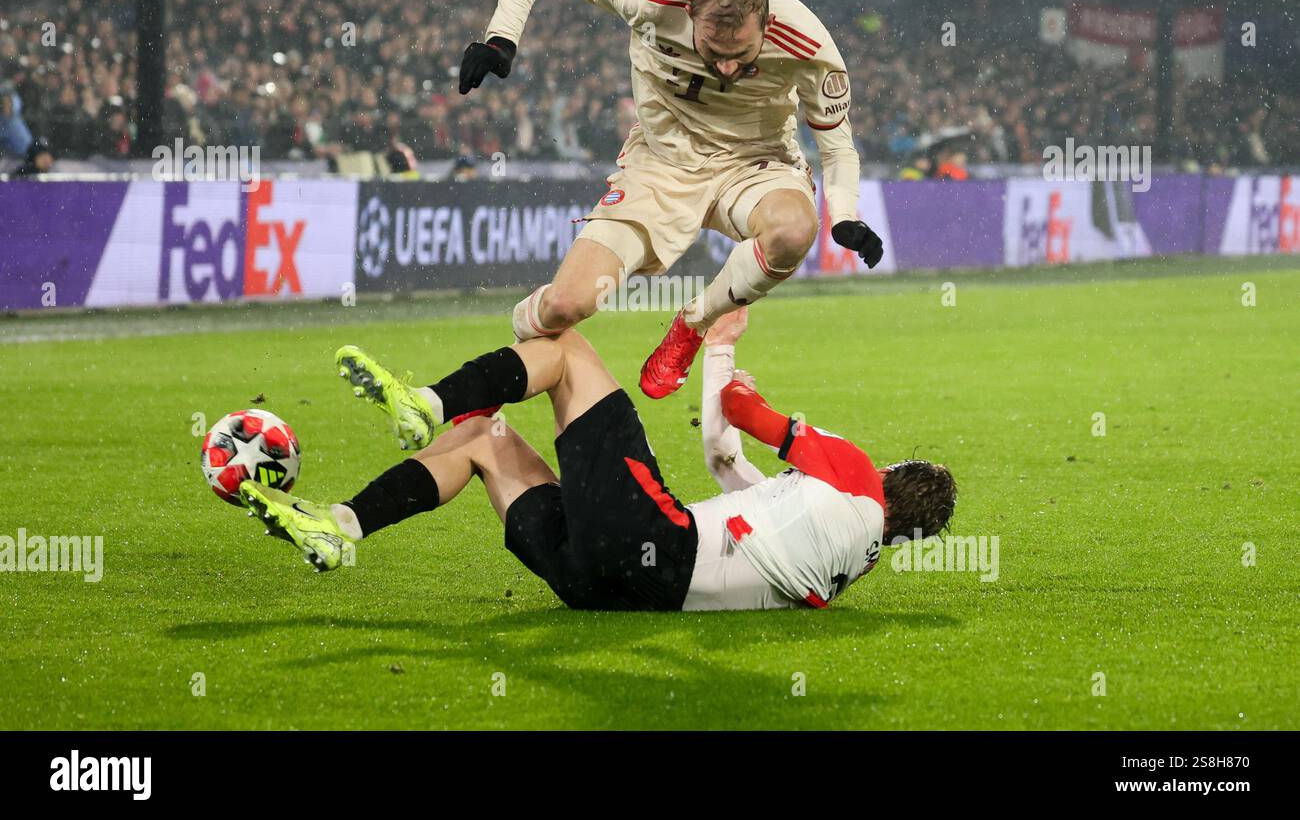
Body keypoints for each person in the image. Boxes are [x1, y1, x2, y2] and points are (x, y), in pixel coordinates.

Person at [237, 311, 956, 611]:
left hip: (657, 542)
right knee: (486, 437)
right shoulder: (847, 563)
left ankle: (426, 401)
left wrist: (726, 341)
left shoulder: (859, 475)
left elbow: (736, 420)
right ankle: (341, 525)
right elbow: (726, 463)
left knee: (568, 350)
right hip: (598, 589)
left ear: (893, 475)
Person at [457, 0, 885, 401]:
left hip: (755, 164)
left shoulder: (808, 44)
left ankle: (695, 322)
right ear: (691, 15)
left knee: (794, 229)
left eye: (740, 53)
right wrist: (502, 38)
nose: (724, 65)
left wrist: (844, 215)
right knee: (567, 304)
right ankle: (506, 354)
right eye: (712, 48)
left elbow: (838, 148)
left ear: (765, 24)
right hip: (661, 164)